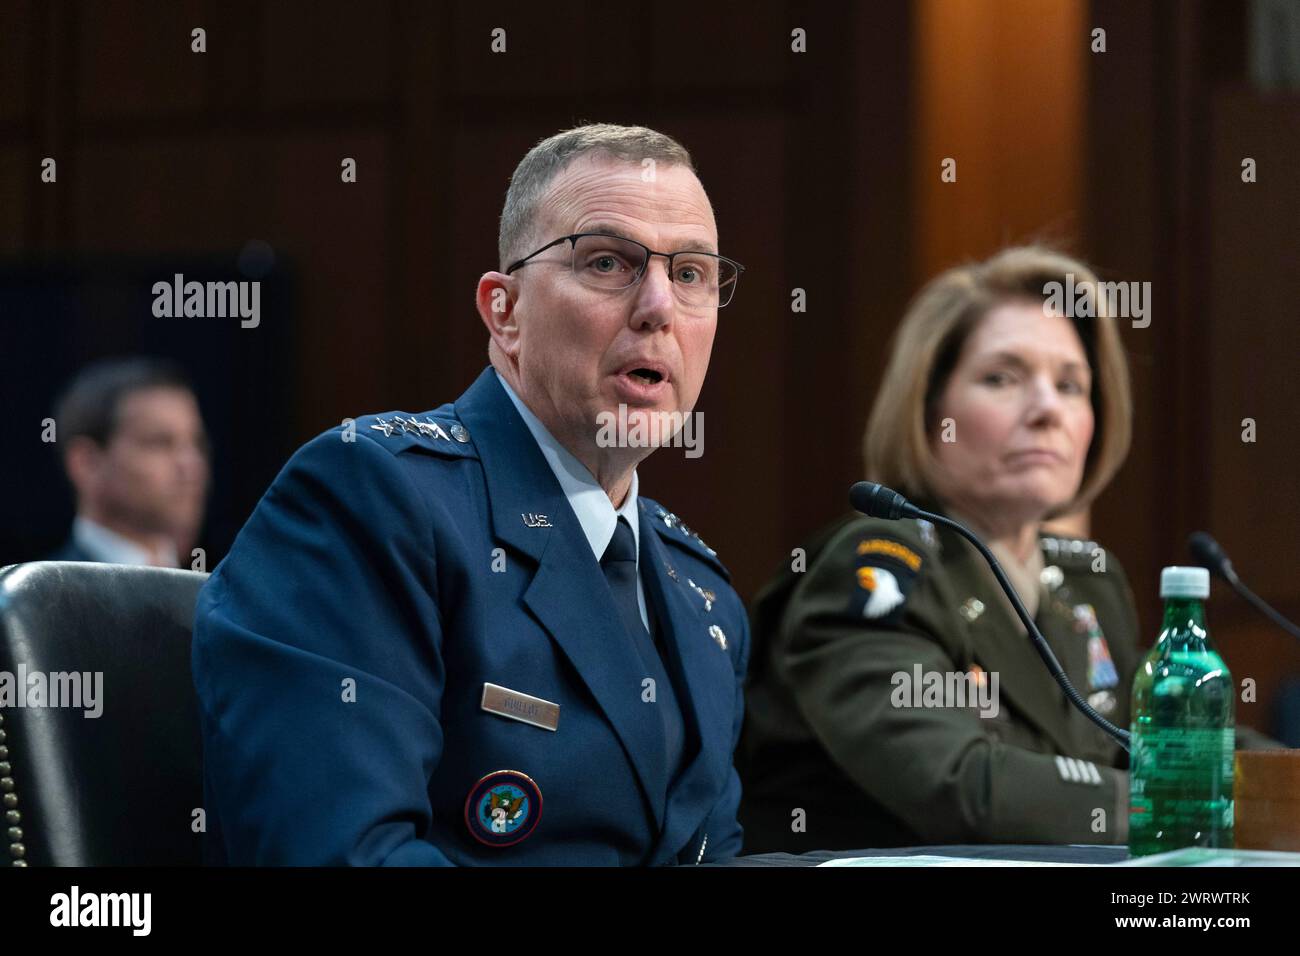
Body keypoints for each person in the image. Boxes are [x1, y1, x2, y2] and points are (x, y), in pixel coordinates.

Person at [192, 123, 751, 865]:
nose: (659, 307)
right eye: (608, 262)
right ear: (504, 312)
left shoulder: (703, 598)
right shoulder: (371, 499)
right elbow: (347, 854)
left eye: (690, 273)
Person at [739, 246, 1146, 851]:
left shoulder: (1087, 578)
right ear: (929, 412)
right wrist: (1178, 799)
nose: (1047, 410)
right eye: (1002, 378)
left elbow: (1160, 741)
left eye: (1070, 385)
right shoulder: (878, 567)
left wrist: (1267, 781)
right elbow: (963, 786)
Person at [47, 357, 210, 568]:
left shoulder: (215, 585)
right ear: (86, 464)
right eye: (159, 442)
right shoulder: (41, 588)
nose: (191, 465)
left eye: (198, 444)